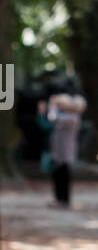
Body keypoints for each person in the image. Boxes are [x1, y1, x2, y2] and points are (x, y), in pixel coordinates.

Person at [45, 78, 87, 206]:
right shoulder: (67, 116)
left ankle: (64, 199)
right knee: (58, 174)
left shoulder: (71, 118)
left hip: (65, 150)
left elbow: (53, 118)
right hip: (59, 149)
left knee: (63, 174)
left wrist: (53, 105)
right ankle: (59, 199)